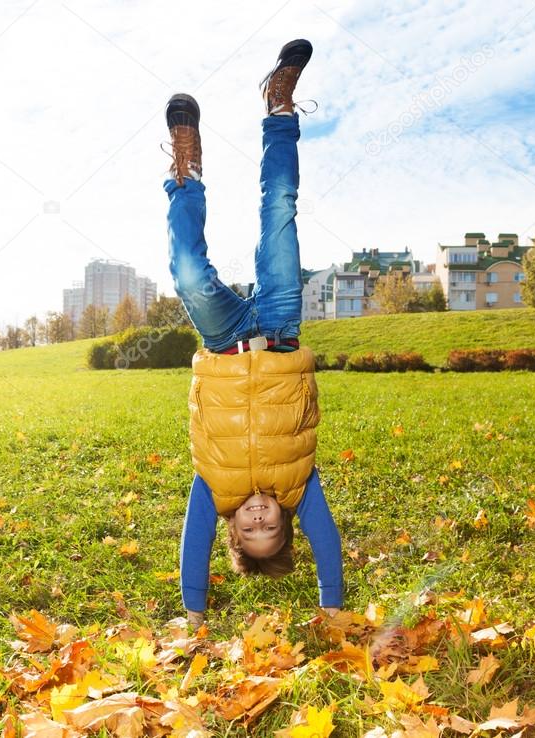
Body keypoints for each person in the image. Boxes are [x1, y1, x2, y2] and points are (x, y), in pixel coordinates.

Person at [163, 40, 343, 628]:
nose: (260, 515)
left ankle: (184, 171)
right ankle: (280, 110)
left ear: (233, 529)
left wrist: (194, 618)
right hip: (283, 329)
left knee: (189, 275)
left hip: (223, 343)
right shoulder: (299, 487)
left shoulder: (211, 492)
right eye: (272, 526)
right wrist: (332, 610)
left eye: (250, 528)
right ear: (289, 523)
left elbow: (193, 549)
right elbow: (330, 544)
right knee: (282, 209)